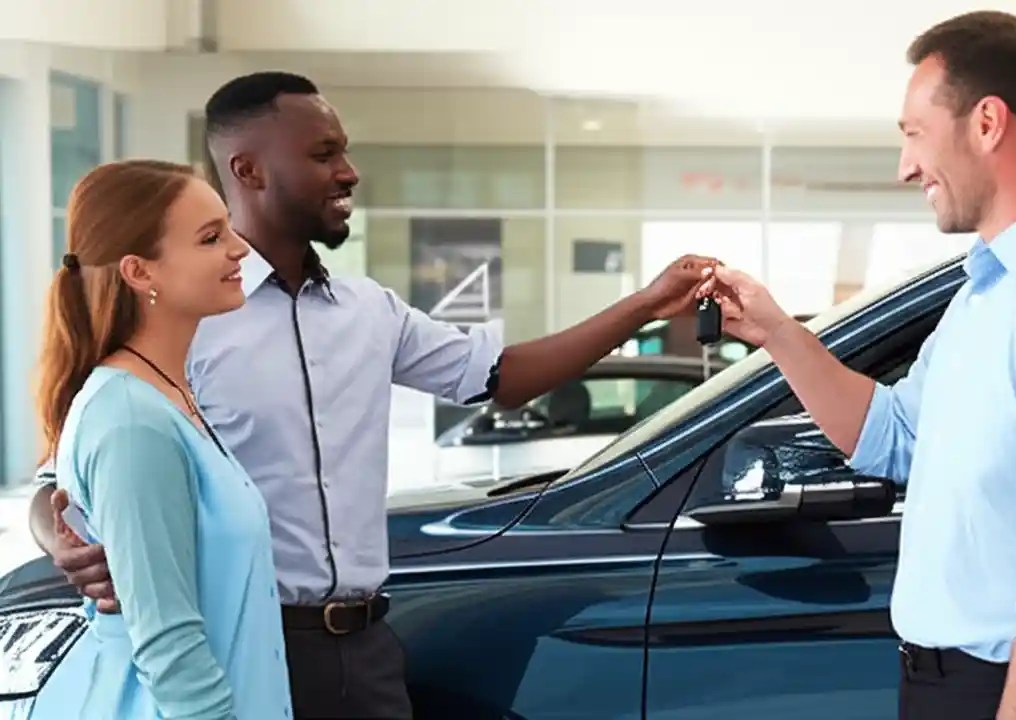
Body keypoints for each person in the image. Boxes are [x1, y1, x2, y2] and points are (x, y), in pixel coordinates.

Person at [28, 71, 716, 719]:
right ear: (249, 170)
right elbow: (71, 477)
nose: (348, 172)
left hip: (368, 649)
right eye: (324, 153)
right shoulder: (184, 325)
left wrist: (648, 304)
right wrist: (65, 543)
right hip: (247, 643)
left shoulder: (368, 311)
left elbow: (502, 376)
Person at [699, 11, 1016, 720]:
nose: (906, 166)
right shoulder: (990, 295)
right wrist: (778, 332)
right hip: (949, 688)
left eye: (914, 133)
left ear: (988, 122)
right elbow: (897, 435)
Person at [24, 160, 291, 719]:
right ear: (141, 273)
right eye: (211, 237)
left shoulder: (167, 393)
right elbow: (171, 651)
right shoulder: (131, 421)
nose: (240, 249)